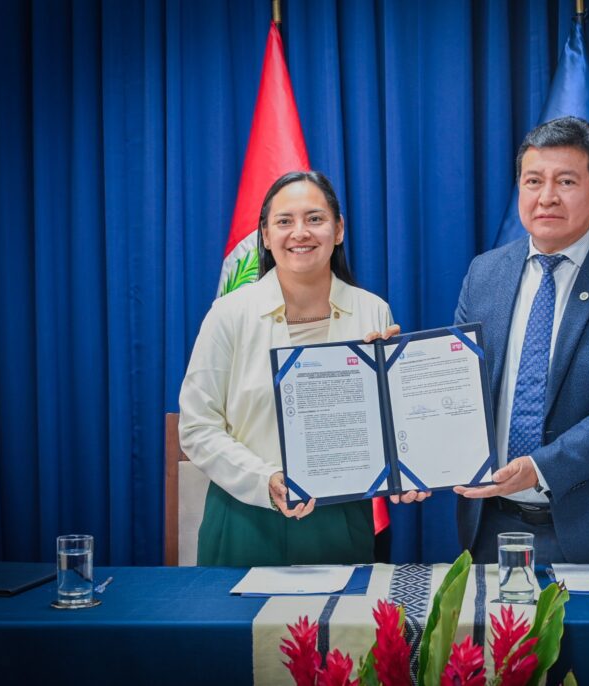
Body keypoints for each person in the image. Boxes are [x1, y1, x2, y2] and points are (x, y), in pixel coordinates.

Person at [453, 117, 589, 565]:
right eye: (533, 180)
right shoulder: (485, 273)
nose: (546, 196)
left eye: (566, 181)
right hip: (491, 528)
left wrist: (538, 468)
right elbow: (455, 383)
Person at [179, 171, 425, 567]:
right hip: (246, 515)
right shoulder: (228, 315)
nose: (300, 232)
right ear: (264, 235)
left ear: (339, 229)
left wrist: (408, 465)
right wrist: (266, 480)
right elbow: (196, 427)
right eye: (284, 221)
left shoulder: (372, 310)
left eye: (315, 219)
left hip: (340, 520)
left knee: (339, 630)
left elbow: (390, 426)